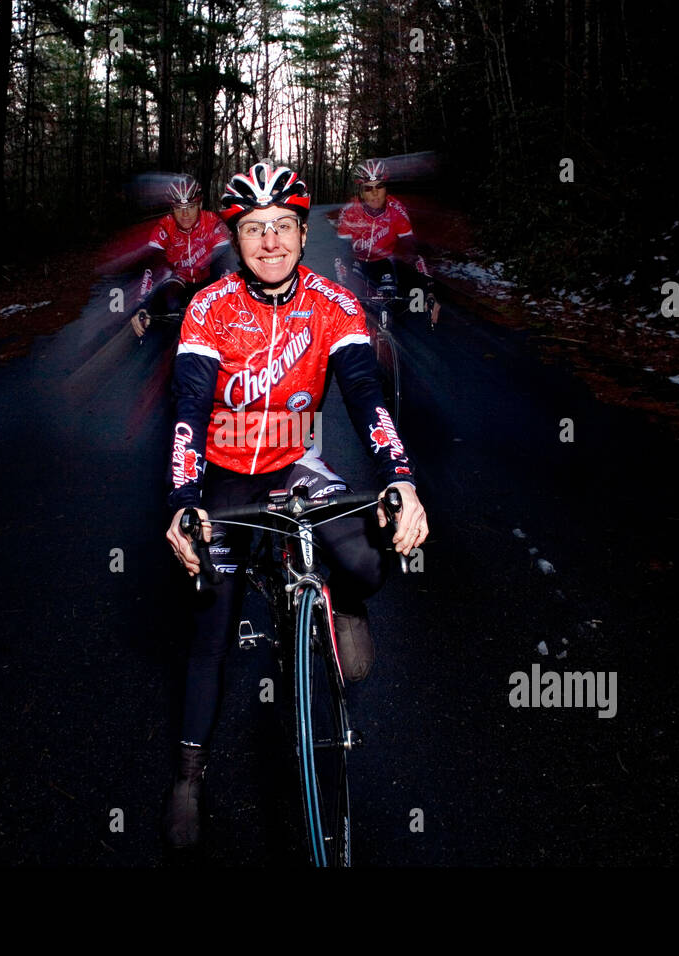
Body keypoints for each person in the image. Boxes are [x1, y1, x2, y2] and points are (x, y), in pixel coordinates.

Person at [159, 161, 430, 848]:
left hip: (298, 461)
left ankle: (345, 603)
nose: (271, 241)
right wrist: (185, 500)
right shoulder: (209, 307)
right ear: (236, 238)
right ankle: (188, 777)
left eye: (283, 226)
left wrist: (400, 477)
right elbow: (188, 408)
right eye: (255, 229)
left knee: (369, 558)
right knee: (211, 624)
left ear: (305, 233)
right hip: (225, 471)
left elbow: (367, 399)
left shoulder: (335, 306)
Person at [128, 174, 238, 337]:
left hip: (208, 279)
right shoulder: (164, 227)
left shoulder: (213, 223)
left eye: (191, 206)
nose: (185, 214)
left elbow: (226, 263)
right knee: (169, 302)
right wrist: (142, 305)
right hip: (180, 279)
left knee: (219, 294)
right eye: (179, 208)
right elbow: (151, 268)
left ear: (200, 204)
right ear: (172, 208)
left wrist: (230, 301)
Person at [335, 159, 441, 326]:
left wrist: (428, 291)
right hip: (356, 262)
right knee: (353, 307)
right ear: (361, 192)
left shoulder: (397, 211)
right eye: (368, 188)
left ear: (386, 189)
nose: (375, 193)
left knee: (387, 305)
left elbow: (414, 254)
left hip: (383, 264)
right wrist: (343, 288)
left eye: (380, 186)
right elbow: (341, 255)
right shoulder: (349, 212)